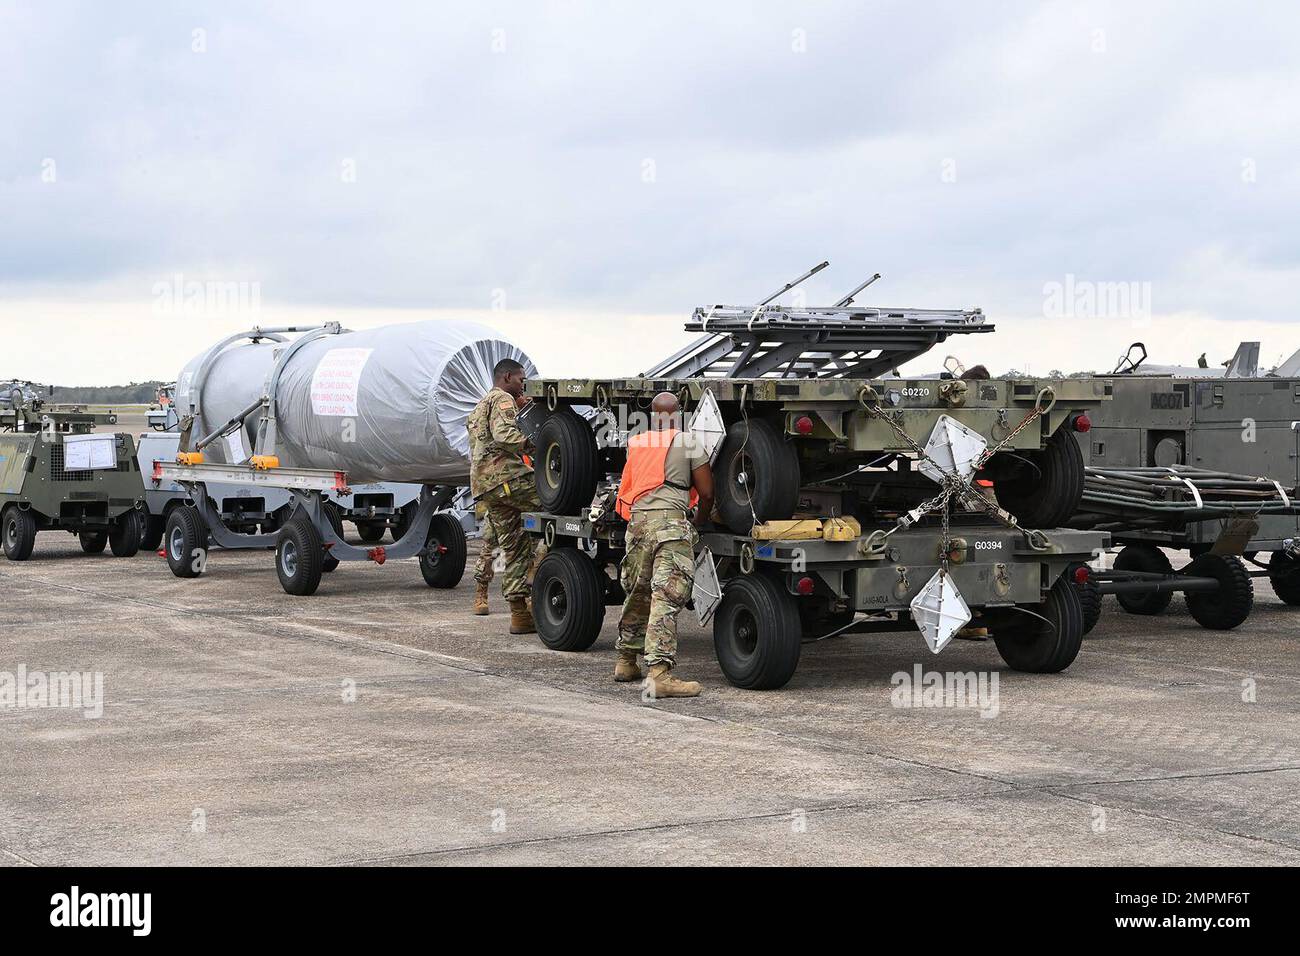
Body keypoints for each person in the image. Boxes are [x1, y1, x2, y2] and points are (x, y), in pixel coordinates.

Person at [613, 392, 714, 698]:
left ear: (653, 415)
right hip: (670, 525)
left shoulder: (638, 443)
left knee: (638, 591)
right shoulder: (687, 442)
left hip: (638, 524)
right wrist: (698, 522)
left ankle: (625, 661)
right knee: (666, 596)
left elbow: (625, 493)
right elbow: (707, 493)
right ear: (679, 413)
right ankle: (659, 674)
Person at [467, 358, 539, 634]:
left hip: (488, 488)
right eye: (521, 379)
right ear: (507, 377)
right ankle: (542, 567)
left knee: (514, 548)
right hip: (508, 478)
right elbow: (504, 434)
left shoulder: (479, 406)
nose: (523, 385)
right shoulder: (502, 400)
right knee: (561, 510)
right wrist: (539, 447)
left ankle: (519, 615)